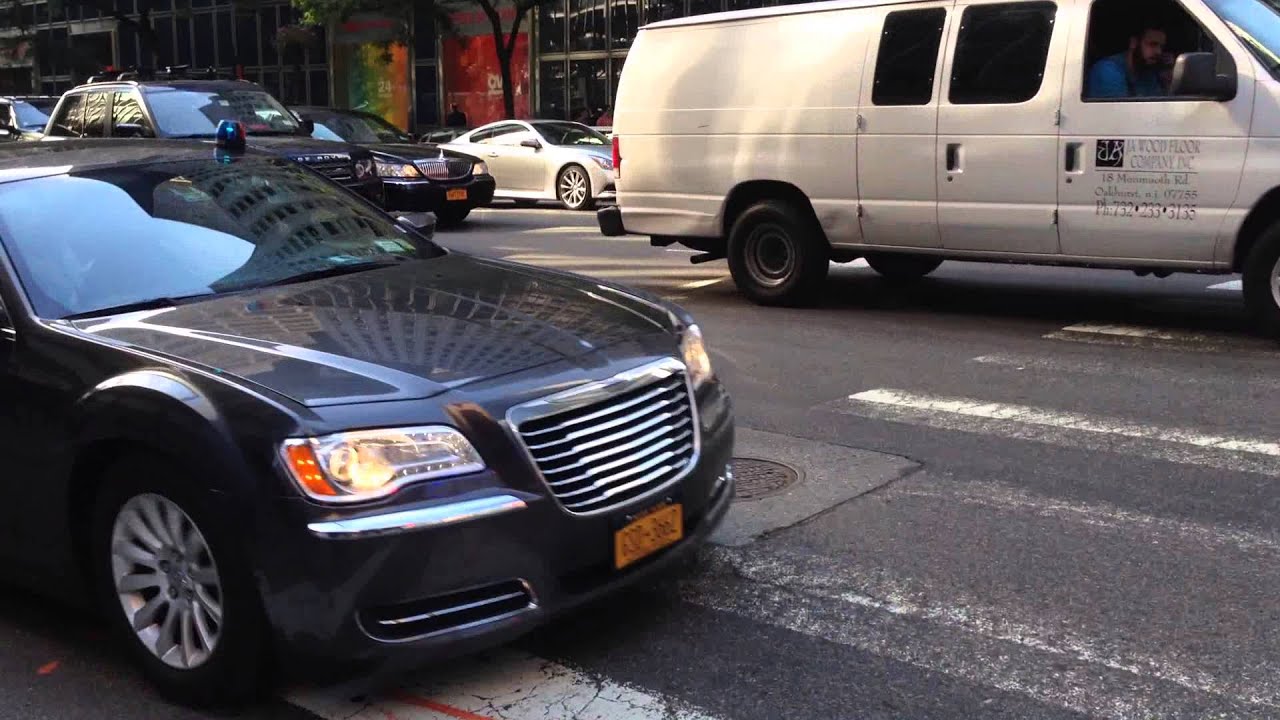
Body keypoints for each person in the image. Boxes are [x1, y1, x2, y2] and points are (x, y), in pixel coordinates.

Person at [1086, 22, 1174, 99]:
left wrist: (1167, 83)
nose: (1159, 52)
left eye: (1161, 47)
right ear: (1134, 43)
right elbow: (1118, 111)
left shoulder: (1147, 74)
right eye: (1152, 44)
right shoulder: (1107, 71)